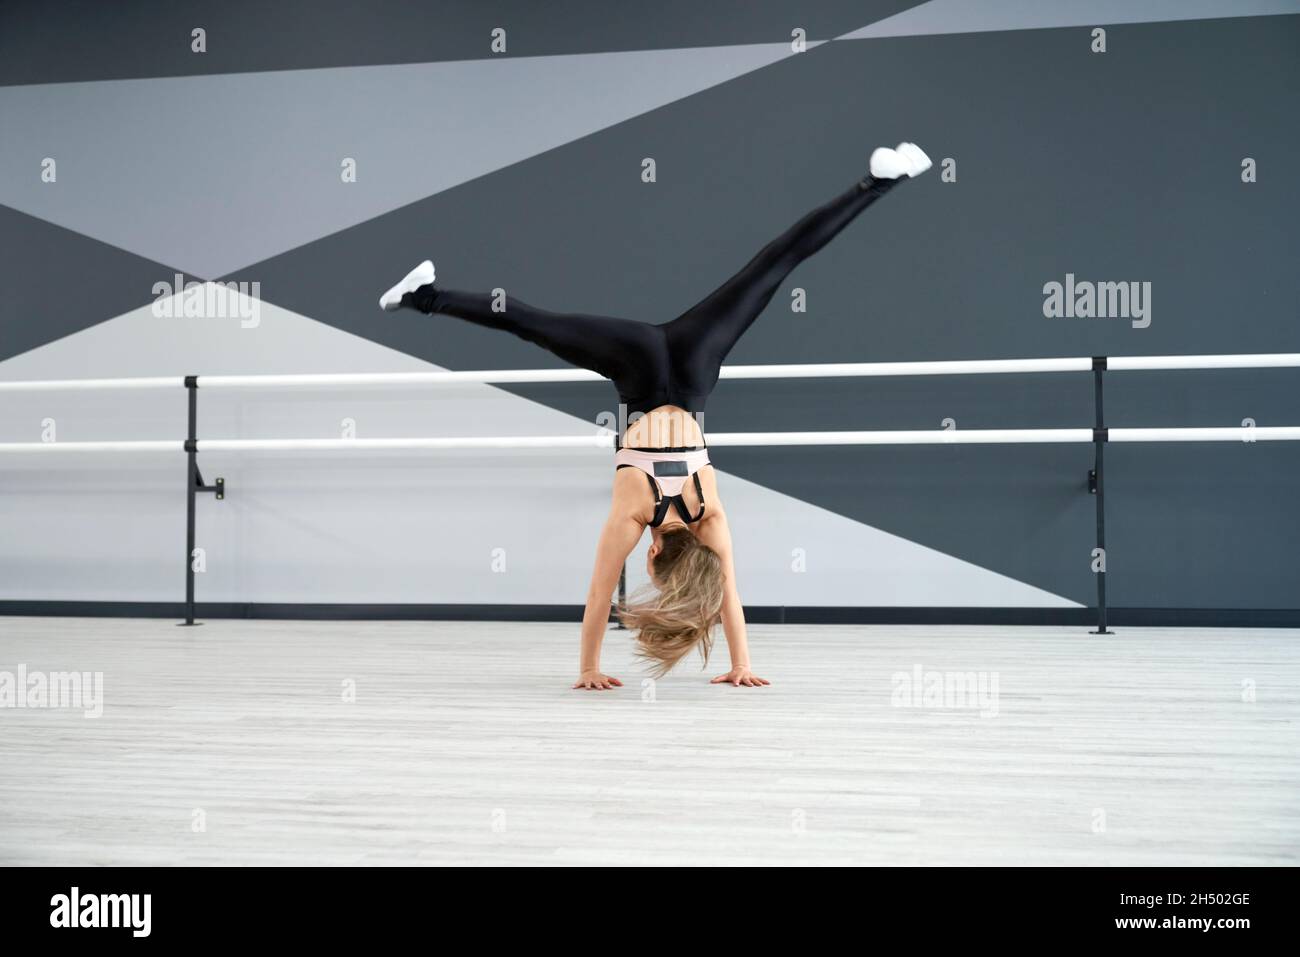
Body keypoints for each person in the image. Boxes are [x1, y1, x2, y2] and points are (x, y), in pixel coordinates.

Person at [379, 143, 932, 689]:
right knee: (533, 321)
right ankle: (423, 297)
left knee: (774, 264)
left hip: (693, 368)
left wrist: (741, 663)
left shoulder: (710, 518)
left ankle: (877, 182)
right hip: (638, 372)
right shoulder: (631, 516)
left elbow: (729, 597)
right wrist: (590, 669)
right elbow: (600, 596)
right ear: (654, 555)